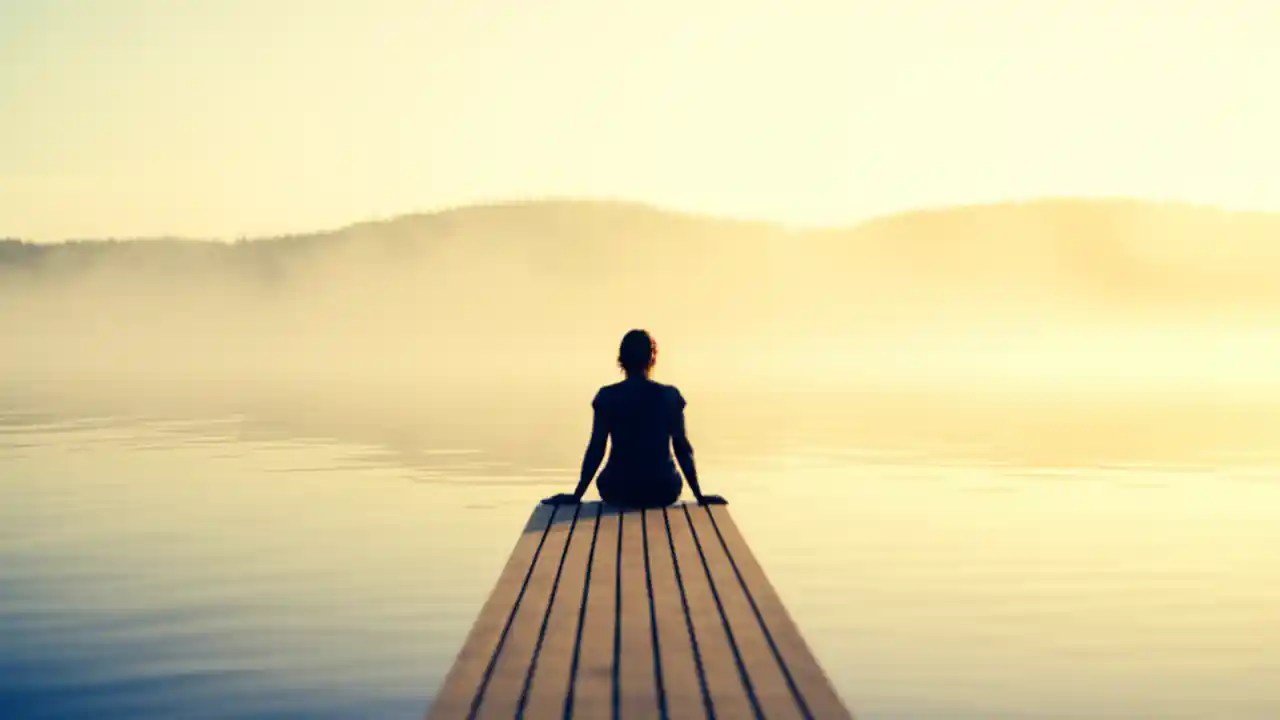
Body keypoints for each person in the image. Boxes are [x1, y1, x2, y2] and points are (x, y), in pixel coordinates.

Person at [543, 329, 726, 508]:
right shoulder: (669, 396)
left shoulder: (607, 397)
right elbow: (682, 448)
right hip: (663, 490)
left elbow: (596, 447)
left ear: (620, 360)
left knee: (607, 477)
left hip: (617, 490)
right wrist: (699, 495)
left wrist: (577, 495)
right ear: (652, 358)